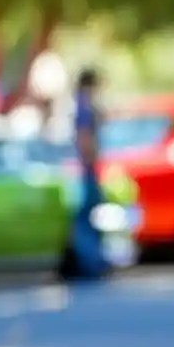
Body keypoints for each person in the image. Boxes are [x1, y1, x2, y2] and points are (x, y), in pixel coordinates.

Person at [68, 67, 108, 278]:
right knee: (85, 219)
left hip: (86, 169)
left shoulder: (80, 104)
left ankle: (92, 261)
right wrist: (90, 158)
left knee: (89, 218)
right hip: (85, 171)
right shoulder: (84, 106)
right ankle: (90, 263)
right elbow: (84, 137)